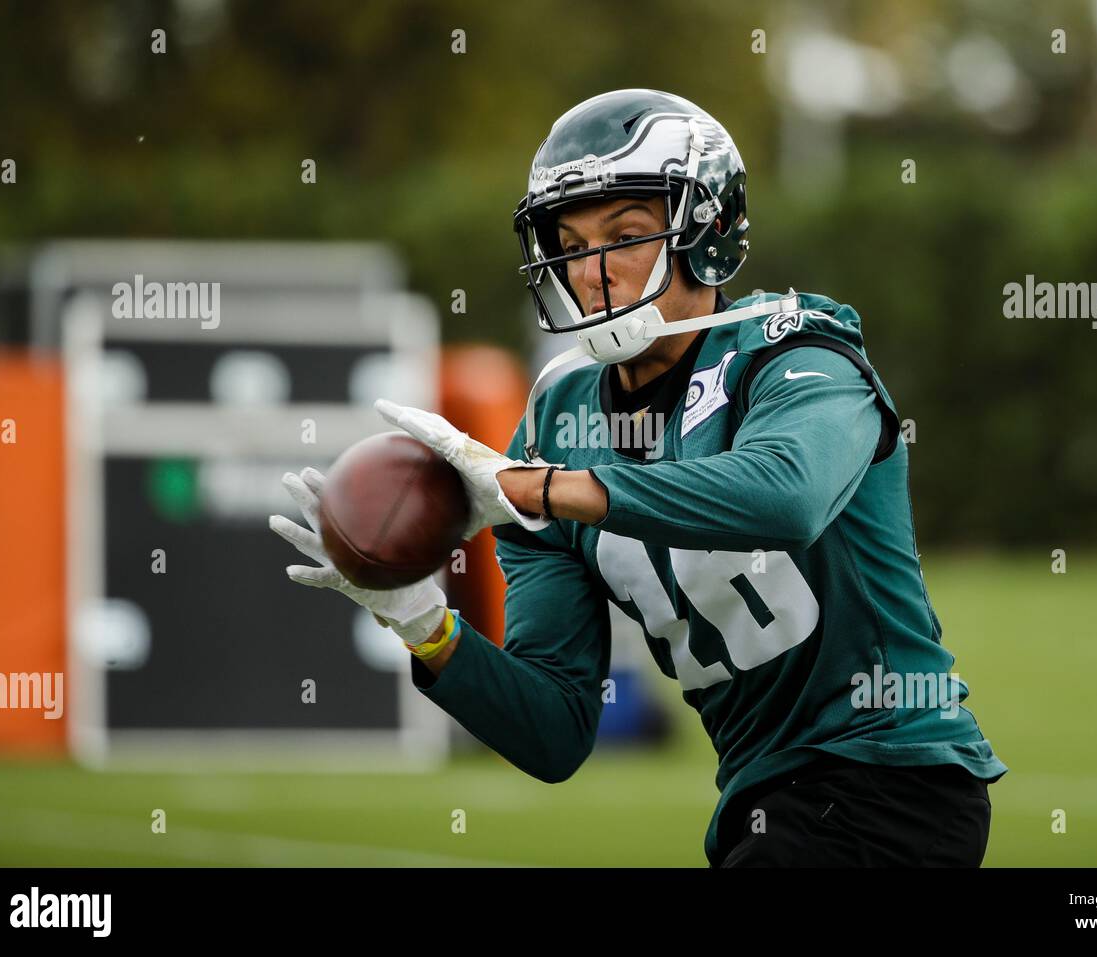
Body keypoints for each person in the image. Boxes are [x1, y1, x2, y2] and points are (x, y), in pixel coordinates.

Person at [269, 89, 1007, 867]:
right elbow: (554, 729)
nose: (590, 269)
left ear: (707, 232)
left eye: (623, 235)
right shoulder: (555, 424)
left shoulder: (794, 353)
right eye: (569, 239)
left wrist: (551, 489)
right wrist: (426, 626)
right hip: (764, 797)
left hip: (892, 777)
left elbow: (787, 495)